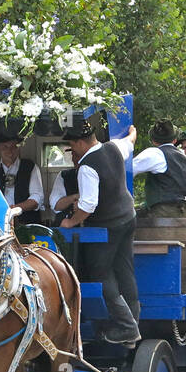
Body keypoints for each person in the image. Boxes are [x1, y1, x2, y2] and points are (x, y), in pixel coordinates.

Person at [59, 120, 141, 346]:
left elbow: (88, 205)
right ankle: (132, 325)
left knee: (100, 273)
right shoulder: (113, 147)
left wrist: (70, 222)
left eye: (71, 145)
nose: (72, 150)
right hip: (128, 217)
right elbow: (130, 141)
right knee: (125, 270)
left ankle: (126, 328)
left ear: (80, 142)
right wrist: (133, 131)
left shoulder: (87, 166)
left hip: (108, 225)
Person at [127, 119, 186, 219]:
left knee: (126, 221)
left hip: (162, 213)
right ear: (175, 140)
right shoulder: (184, 157)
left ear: (154, 141)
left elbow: (128, 170)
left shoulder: (155, 153)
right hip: (183, 212)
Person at [0, 132, 44, 226]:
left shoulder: (30, 167)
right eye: (5, 147)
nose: (10, 151)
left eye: (13, 147)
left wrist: (15, 208)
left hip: (26, 222)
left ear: (19, 147)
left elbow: (37, 197)